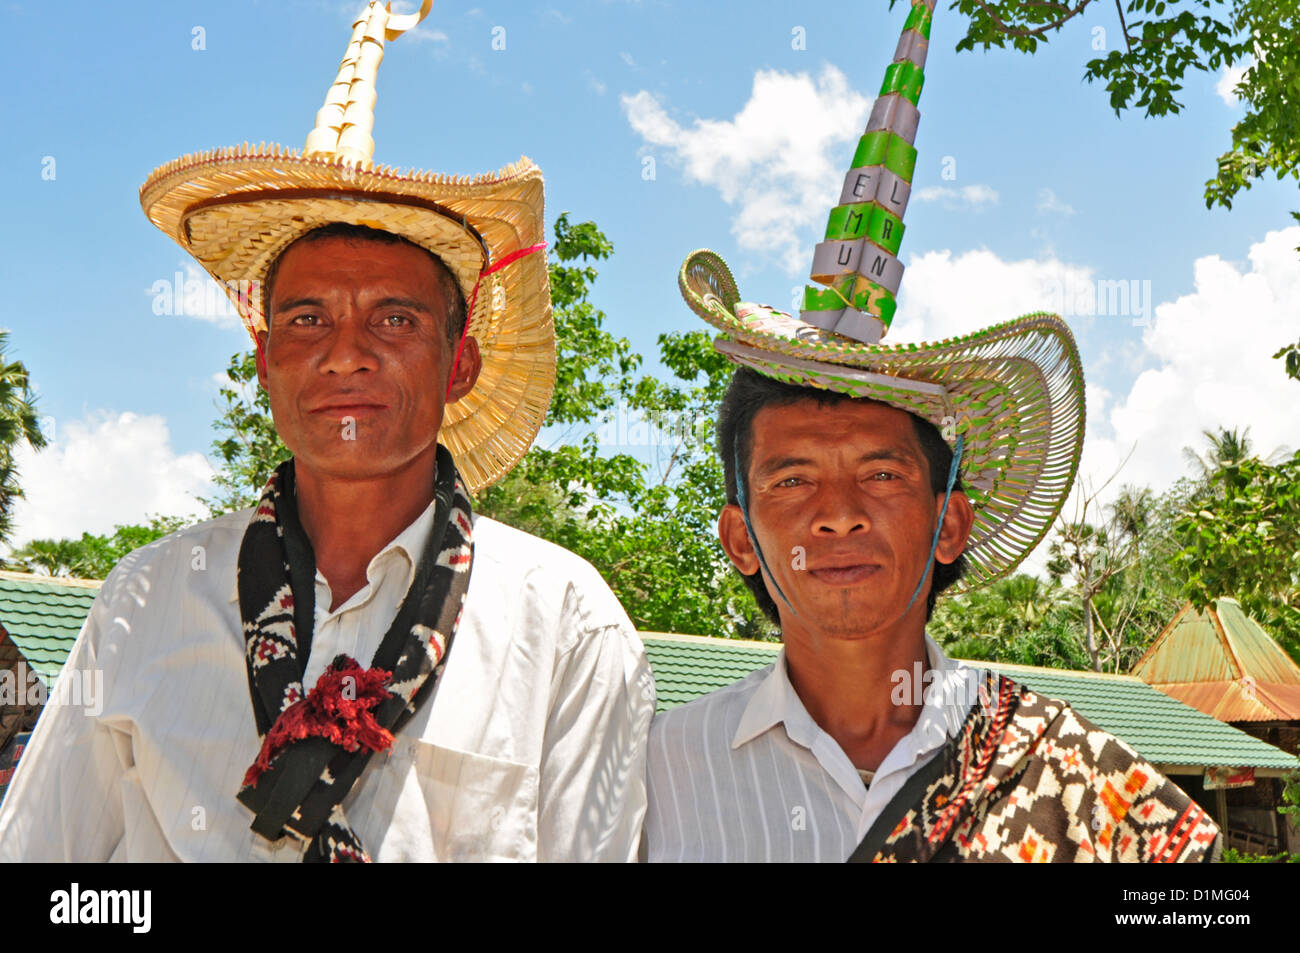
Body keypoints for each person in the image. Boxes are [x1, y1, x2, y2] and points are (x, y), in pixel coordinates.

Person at [0, 1, 654, 863]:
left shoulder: (565, 623)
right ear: (267, 361)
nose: (346, 354)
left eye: (393, 319)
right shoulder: (146, 600)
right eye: (307, 320)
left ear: (459, 365)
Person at [643, 0, 1219, 862]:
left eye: (882, 475)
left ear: (951, 520)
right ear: (739, 536)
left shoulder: (1077, 782)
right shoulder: (658, 774)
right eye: (792, 479)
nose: (838, 515)